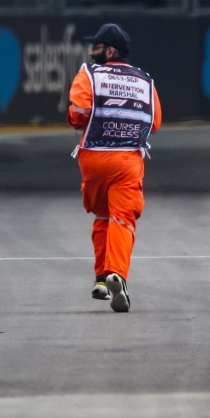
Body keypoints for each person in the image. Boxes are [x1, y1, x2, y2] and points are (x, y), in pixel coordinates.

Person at [66, 23, 162, 313]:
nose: (92, 49)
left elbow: (76, 115)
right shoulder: (145, 80)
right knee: (123, 218)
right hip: (127, 162)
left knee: (102, 215)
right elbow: (154, 123)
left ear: (110, 50)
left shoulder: (88, 74)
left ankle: (100, 280)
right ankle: (116, 274)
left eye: (97, 45)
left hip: (93, 158)